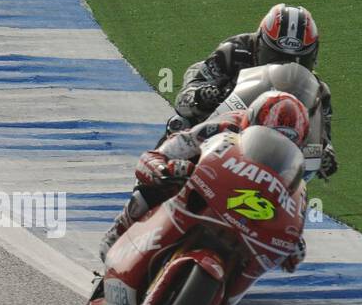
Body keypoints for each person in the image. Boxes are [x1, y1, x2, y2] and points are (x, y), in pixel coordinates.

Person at [99, 92, 311, 267]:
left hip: (245, 214)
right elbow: (160, 154)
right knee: (154, 186)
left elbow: (291, 211)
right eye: (265, 134)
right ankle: (120, 229)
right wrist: (165, 168)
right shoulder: (224, 125)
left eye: (282, 142)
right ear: (250, 122)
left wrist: (292, 241)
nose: (272, 145)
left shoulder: (292, 167)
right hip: (195, 186)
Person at [167, 2, 334, 161]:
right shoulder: (233, 52)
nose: (285, 66)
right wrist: (201, 96)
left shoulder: (317, 92)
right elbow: (184, 98)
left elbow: (322, 138)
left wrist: (325, 155)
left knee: (299, 188)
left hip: (271, 151)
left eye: (297, 60)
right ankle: (155, 175)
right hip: (220, 127)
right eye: (276, 57)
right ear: (259, 44)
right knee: (179, 122)